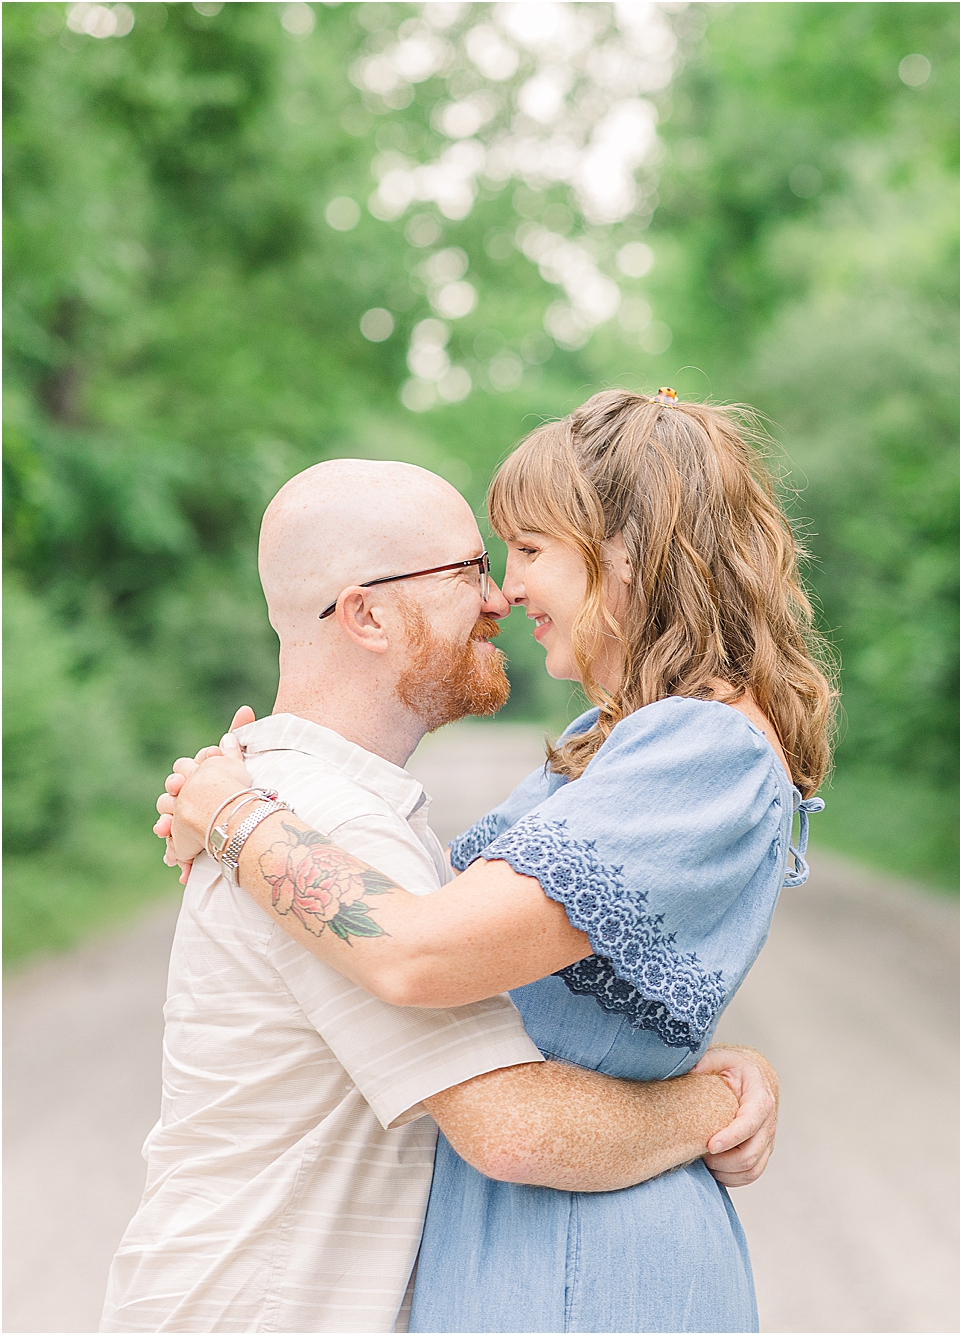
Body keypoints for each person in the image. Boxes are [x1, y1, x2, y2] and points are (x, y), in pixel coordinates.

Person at [164, 390, 836, 1333]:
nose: (507, 591)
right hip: (528, 1243)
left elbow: (420, 951)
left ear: (625, 553)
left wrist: (233, 811)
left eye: (527, 550)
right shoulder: (615, 740)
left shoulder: (702, 748)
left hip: (584, 1259)